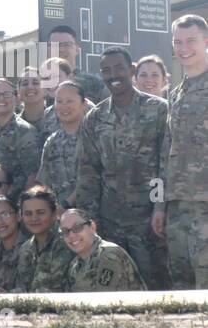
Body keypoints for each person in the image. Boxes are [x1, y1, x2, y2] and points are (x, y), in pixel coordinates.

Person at [75, 48, 170, 289]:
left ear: (132, 70)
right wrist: (89, 220)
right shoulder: (94, 118)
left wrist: (158, 207)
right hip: (110, 222)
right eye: (106, 70)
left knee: (155, 286)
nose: (113, 75)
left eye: (119, 68)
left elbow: (164, 164)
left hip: (148, 222)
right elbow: (89, 173)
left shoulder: (158, 109)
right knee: (113, 286)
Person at [155, 14, 208, 289]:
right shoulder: (174, 95)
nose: (183, 47)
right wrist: (158, 205)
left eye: (191, 40)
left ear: (206, 41)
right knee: (182, 285)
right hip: (178, 208)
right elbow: (165, 153)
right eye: (178, 41)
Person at [58, 208, 145, 292]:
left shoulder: (109, 255)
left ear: (92, 227)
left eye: (77, 227)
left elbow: (102, 300)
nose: (71, 235)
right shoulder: (75, 265)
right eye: (65, 231)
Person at [0, 77, 39, 202]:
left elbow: (32, 176)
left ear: (16, 98)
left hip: (15, 204)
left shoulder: (25, 132)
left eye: (7, 94)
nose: (1, 98)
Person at [12, 185, 73, 292]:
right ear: (21, 217)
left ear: (54, 214)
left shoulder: (68, 242)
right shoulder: (25, 249)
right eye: (28, 214)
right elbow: (22, 288)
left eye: (40, 213)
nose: (34, 218)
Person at [35, 80, 85, 208]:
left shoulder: (94, 138)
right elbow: (43, 182)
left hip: (88, 212)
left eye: (69, 101)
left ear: (83, 104)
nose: (64, 106)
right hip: (58, 215)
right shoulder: (52, 141)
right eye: (59, 101)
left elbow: (91, 179)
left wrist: (66, 204)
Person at [47, 25, 106, 102]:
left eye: (66, 45)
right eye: (55, 45)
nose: (60, 49)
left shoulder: (95, 84)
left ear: (77, 49)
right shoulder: (38, 84)